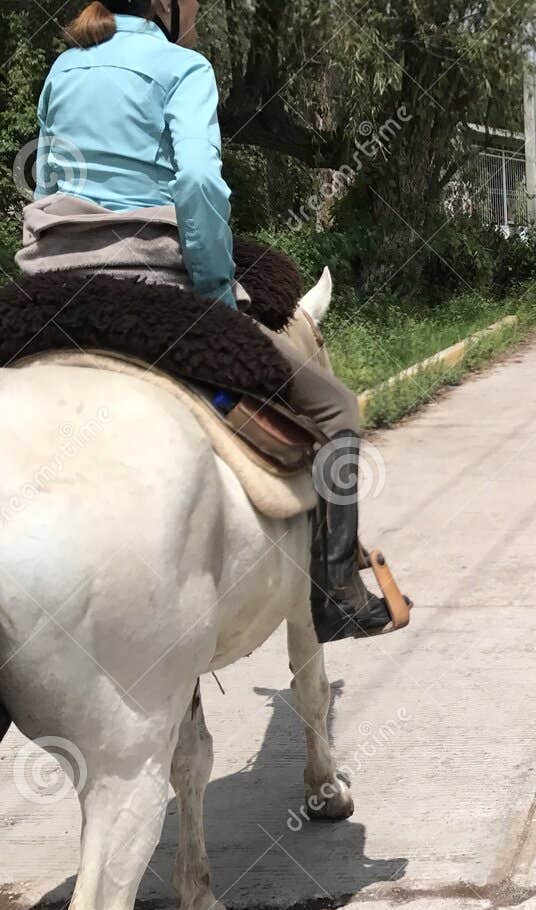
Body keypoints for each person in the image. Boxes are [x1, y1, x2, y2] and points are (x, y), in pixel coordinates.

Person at [15, 0, 397, 640]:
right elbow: (196, 182)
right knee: (337, 411)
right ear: (165, 4)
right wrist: (217, 290)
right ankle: (336, 594)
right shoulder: (182, 66)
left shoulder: (63, 69)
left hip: (55, 287)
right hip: (154, 284)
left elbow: (49, 182)